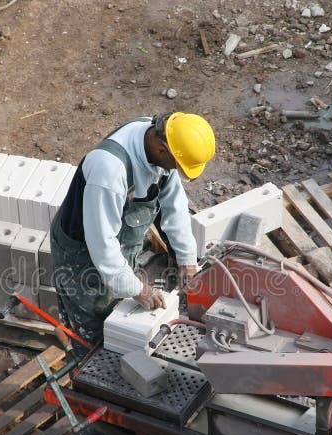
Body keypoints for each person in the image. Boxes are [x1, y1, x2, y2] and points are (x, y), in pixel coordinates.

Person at [51, 112, 216, 357]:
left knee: (123, 315)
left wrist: (187, 259)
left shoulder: (160, 143)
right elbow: (102, 244)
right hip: (81, 256)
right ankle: (88, 371)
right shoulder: (109, 170)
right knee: (93, 332)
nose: (178, 172)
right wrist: (137, 288)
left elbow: (175, 206)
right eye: (178, 166)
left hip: (116, 245)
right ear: (162, 150)